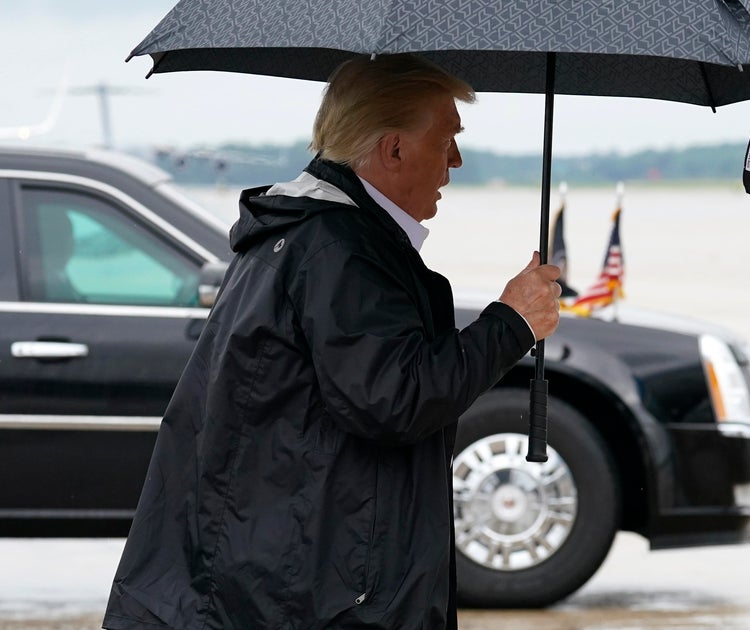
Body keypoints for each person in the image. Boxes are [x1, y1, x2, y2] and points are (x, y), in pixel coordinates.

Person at [102, 54, 562, 629]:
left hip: (279, 572)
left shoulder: (298, 234)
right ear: (394, 150)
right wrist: (512, 321)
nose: (456, 161)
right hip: (315, 592)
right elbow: (396, 400)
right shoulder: (339, 252)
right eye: (447, 140)